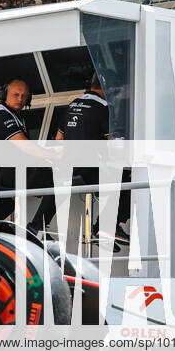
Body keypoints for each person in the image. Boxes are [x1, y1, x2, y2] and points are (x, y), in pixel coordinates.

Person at [54, 74, 129, 246]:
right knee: (126, 182)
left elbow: (58, 139)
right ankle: (105, 227)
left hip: (68, 170)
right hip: (88, 170)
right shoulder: (103, 107)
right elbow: (113, 143)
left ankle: (100, 230)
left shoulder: (73, 103)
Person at [0, 78, 56, 229]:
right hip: (9, 174)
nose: (20, 99)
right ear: (4, 95)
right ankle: (37, 227)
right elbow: (25, 145)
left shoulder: (15, 115)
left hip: (10, 174)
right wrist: (55, 156)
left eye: (24, 96)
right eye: (16, 95)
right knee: (59, 181)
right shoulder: (2, 114)